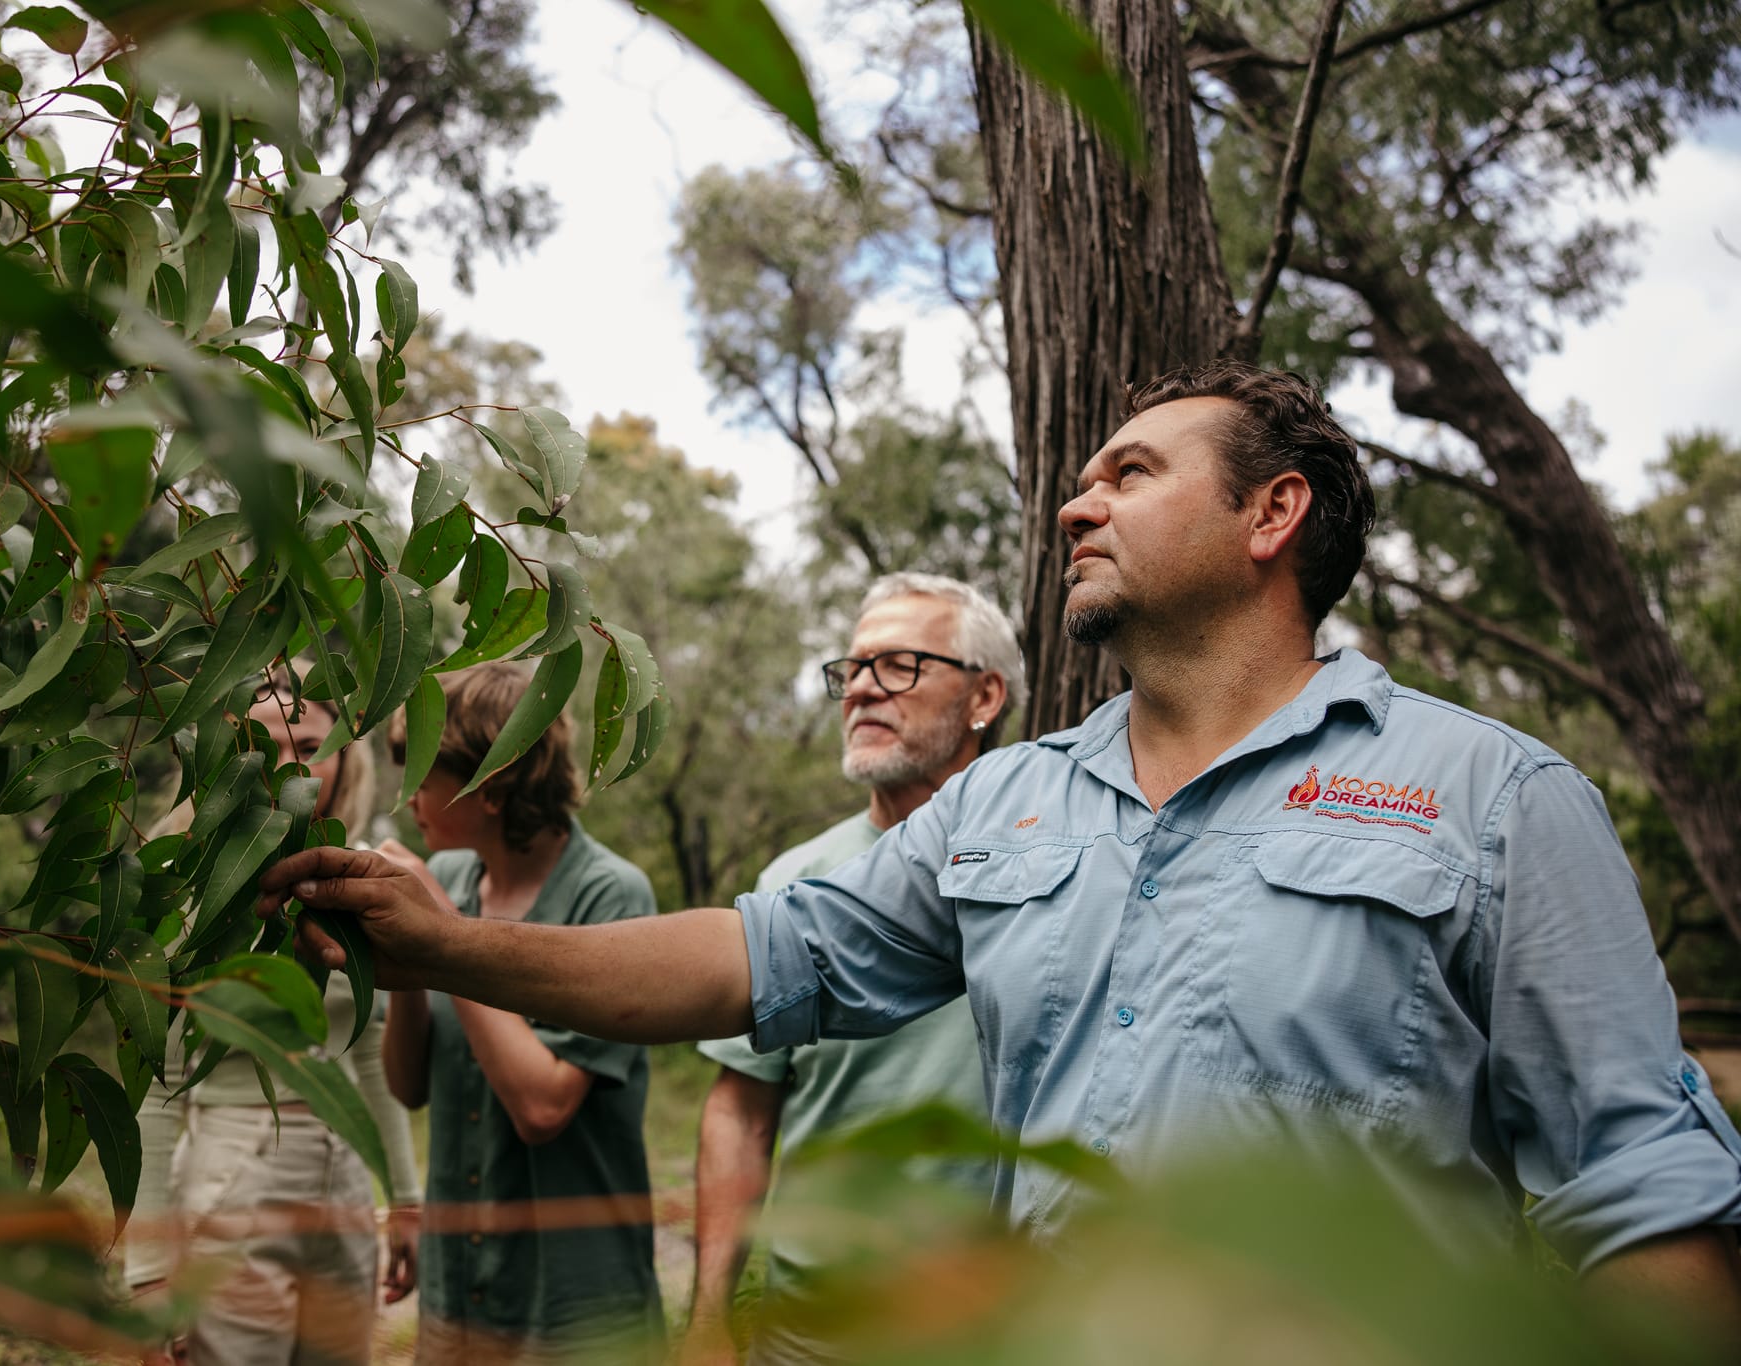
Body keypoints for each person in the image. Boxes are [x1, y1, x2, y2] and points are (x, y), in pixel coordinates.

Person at [263, 362, 1741, 1331]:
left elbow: (1645, 1190)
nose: (1075, 499)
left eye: (1132, 472)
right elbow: (754, 957)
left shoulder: (1489, 798)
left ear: (1272, 513)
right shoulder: (1007, 804)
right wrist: (454, 945)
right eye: (1084, 475)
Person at [683, 572, 1017, 1365]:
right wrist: (706, 1319)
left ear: (985, 696)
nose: (861, 689)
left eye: (898, 665)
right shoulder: (792, 880)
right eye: (852, 669)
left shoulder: (1043, 867)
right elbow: (740, 1113)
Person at [125, 678, 423, 1366]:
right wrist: (146, 1267)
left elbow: (370, 1048)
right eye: (261, 747)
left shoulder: (361, 885)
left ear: (348, 758)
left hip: (345, 1176)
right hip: (236, 1172)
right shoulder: (188, 884)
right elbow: (155, 1081)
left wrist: (404, 1197)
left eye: (314, 746)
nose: (292, 770)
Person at [377, 661, 665, 1364]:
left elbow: (543, 1108)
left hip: (573, 1311)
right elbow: (408, 1087)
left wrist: (443, 937)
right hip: (457, 1299)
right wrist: (403, 959)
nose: (407, 796)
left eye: (424, 771)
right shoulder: (447, 879)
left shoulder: (611, 898)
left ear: (494, 784)